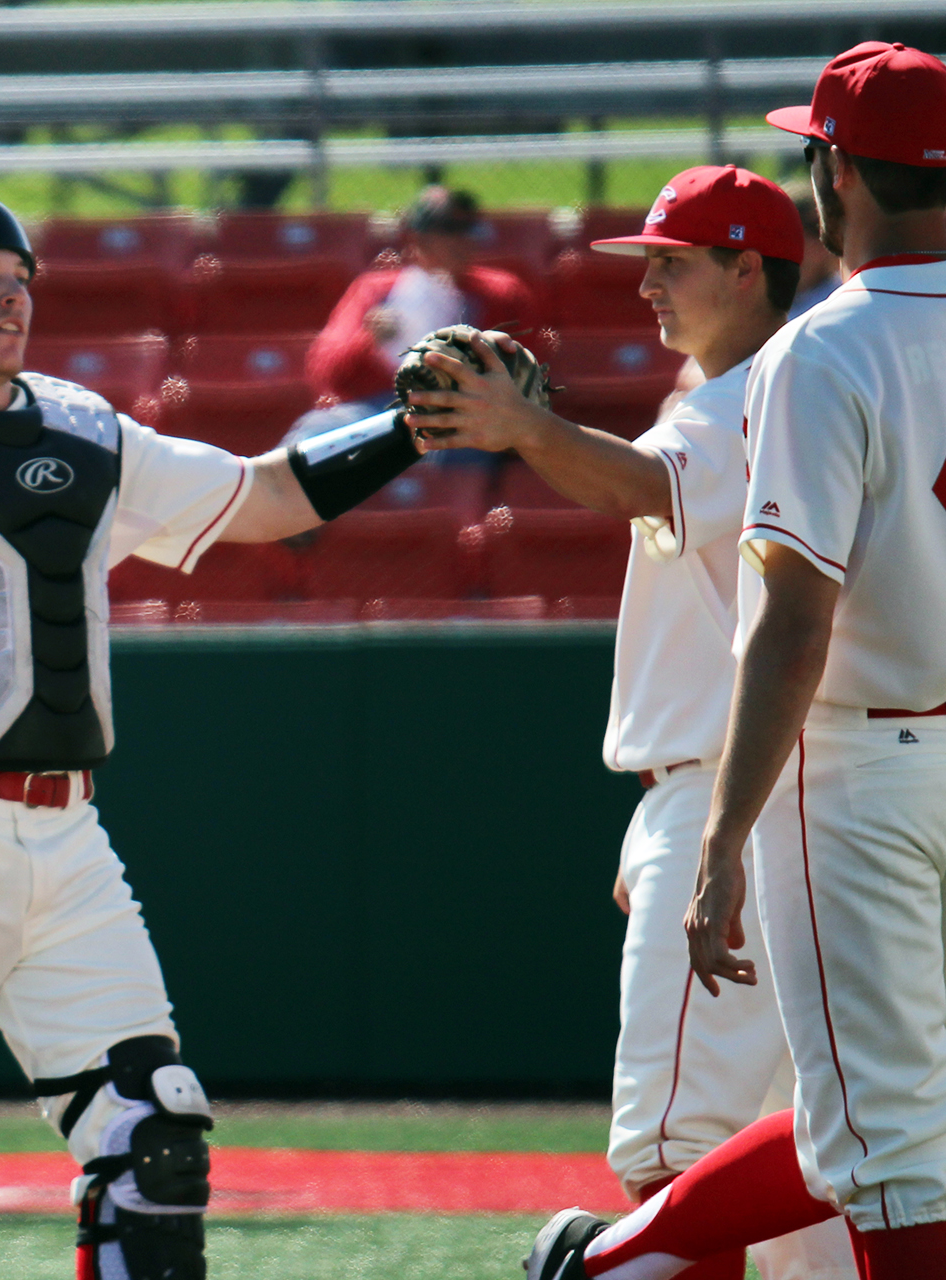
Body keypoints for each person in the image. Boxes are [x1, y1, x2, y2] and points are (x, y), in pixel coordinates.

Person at [0, 191, 438, 1280]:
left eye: (21, 273)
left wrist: (415, 425)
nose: (12, 293)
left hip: (65, 840)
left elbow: (269, 497)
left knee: (156, 1134)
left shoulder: (83, 427)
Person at [520, 40, 946, 1280]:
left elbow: (794, 618)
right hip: (900, 750)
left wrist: (719, 842)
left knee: (883, 1134)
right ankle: (611, 1264)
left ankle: (602, 1265)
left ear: (834, 176)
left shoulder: (823, 351)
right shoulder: (809, 347)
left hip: (852, 767)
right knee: (891, 1131)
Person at [409, 165, 854, 1280]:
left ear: (750, 268)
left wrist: (519, 425)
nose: (647, 282)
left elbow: (641, 488)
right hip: (763, 791)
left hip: (730, 795)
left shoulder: (757, 393)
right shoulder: (762, 391)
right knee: (813, 1164)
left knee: (673, 1160)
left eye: (674, 259)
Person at [304, 185, 538, 411]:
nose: (461, 240)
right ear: (418, 238)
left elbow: (530, 377)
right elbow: (324, 373)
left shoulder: (502, 292)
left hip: (468, 414)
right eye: (449, 229)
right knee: (312, 434)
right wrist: (368, 339)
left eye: (467, 229)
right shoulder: (374, 289)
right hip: (376, 408)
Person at [783, 181, 844, 318]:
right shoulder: (757, 303)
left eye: (815, 229)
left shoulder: (843, 301)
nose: (801, 240)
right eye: (787, 228)